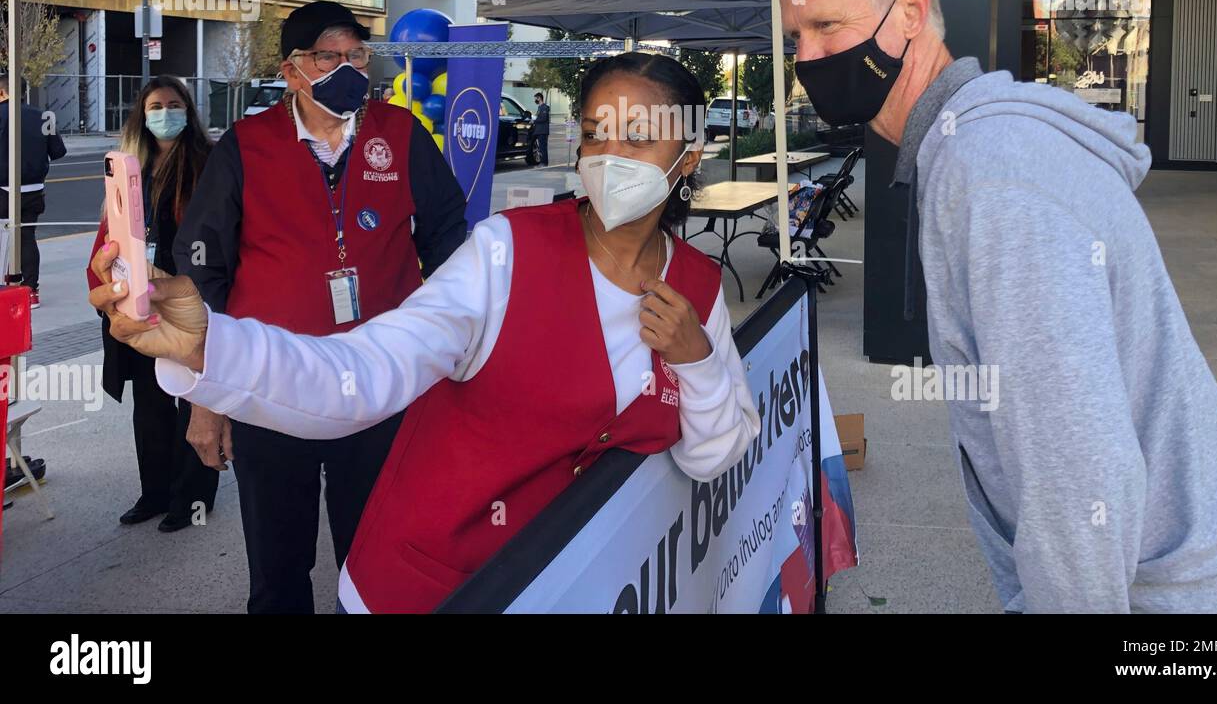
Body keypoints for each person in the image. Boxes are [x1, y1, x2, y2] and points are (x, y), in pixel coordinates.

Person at [91, 52, 759, 614]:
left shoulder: (697, 287)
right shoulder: (504, 255)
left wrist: (696, 359)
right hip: (424, 587)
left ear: (689, 153)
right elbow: (357, 373)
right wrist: (212, 342)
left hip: (560, 591)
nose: (610, 156)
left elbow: (712, 454)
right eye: (594, 133)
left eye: (637, 137)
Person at [767, 0, 1217, 613]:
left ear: (910, 14)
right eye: (795, 38)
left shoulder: (992, 173)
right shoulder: (977, 150)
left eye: (827, 27)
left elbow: (1078, 471)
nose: (806, 58)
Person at [172, 1, 468, 613]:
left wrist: (446, 337)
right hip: (273, 387)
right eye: (330, 57)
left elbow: (447, 235)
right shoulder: (246, 148)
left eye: (357, 55)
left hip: (381, 386)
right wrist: (206, 397)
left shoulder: (400, 133)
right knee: (278, 569)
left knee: (380, 558)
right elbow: (203, 275)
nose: (349, 69)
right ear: (292, 70)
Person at [87, 76, 219, 532]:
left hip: (185, 295)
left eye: (174, 104)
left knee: (192, 396)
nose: (165, 113)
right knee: (150, 400)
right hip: (139, 296)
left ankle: (193, 499)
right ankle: (155, 492)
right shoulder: (129, 165)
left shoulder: (207, 162)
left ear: (188, 110)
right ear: (142, 115)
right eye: (156, 105)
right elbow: (110, 235)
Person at [0, 74, 67, 307]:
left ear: (2, 92)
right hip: (34, 189)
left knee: (3, 238)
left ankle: (7, 283)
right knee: (27, 238)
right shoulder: (43, 116)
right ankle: (30, 291)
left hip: (3, 188)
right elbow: (58, 151)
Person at [529, 91, 551, 165]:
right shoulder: (539, 108)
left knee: (543, 147)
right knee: (540, 148)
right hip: (538, 131)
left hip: (543, 131)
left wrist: (534, 120)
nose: (535, 100)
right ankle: (543, 161)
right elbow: (538, 117)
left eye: (536, 99)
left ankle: (544, 162)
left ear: (539, 98)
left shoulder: (545, 107)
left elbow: (543, 118)